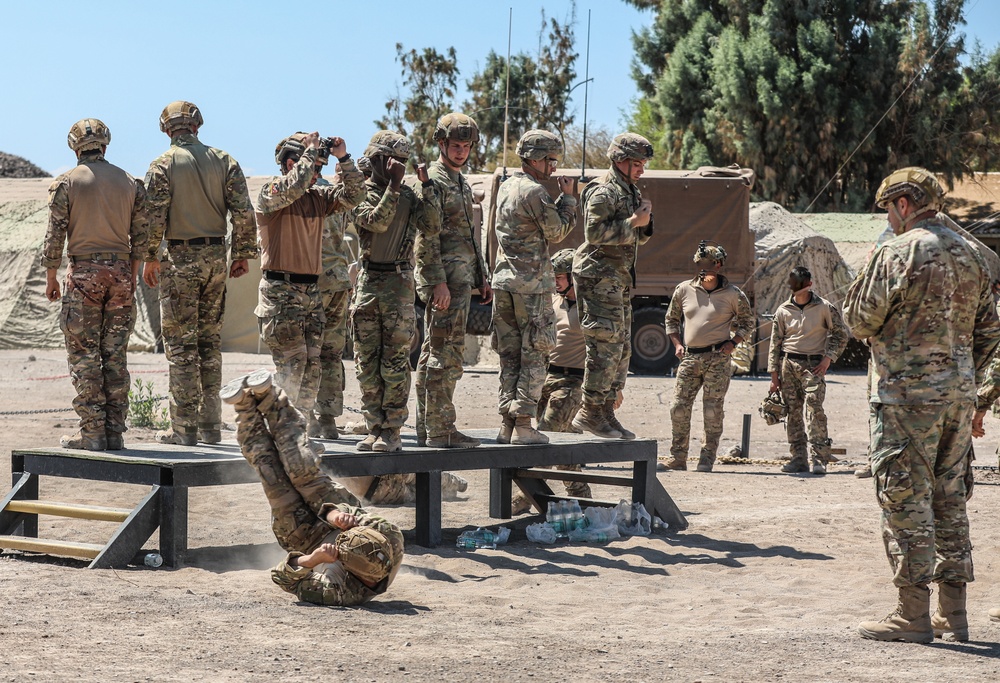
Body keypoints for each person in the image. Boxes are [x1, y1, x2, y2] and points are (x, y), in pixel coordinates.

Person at [844, 167, 1000, 643]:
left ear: (904, 204)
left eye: (889, 210)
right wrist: (961, 377)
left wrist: (869, 268)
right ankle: (954, 614)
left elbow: (859, 320)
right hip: (957, 399)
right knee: (950, 500)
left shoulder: (896, 251)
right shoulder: (973, 254)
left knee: (905, 502)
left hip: (905, 401)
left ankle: (912, 614)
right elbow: (990, 332)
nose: (888, 220)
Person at [222, 370, 403, 606]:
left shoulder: (338, 591)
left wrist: (311, 559)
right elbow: (358, 516)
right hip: (333, 506)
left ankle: (244, 408)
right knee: (299, 465)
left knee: (270, 472)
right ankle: (270, 397)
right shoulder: (391, 538)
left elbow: (282, 579)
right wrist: (337, 516)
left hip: (302, 537)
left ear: (350, 569)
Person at [143, 101, 257, 446]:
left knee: (181, 348)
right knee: (209, 344)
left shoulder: (163, 165)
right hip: (216, 259)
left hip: (180, 259)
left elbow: (153, 216)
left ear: (166, 130)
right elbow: (244, 212)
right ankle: (210, 427)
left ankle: (184, 429)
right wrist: (242, 254)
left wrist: (150, 256)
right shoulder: (224, 160)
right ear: (197, 126)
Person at [44, 118, 148, 451]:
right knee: (115, 356)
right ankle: (115, 434)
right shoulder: (130, 182)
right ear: (105, 146)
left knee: (84, 356)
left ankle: (92, 433)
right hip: (121, 274)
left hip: (84, 275)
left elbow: (55, 235)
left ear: (75, 149)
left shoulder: (67, 183)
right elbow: (142, 238)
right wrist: (131, 276)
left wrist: (51, 276)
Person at [255, 131, 365, 428]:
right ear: (293, 163)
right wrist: (310, 153)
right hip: (281, 292)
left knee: (312, 369)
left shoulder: (318, 199)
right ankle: (282, 431)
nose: (318, 175)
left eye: (319, 168)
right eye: (315, 167)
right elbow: (292, 187)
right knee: (292, 368)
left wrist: (344, 158)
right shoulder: (271, 193)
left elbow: (355, 195)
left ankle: (301, 432)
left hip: (310, 292)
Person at [351, 131, 440, 452]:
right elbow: (377, 222)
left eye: (401, 162)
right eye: (392, 161)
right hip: (368, 283)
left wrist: (426, 185)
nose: (396, 166)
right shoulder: (359, 193)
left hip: (399, 284)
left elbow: (432, 225)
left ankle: (391, 431)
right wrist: (394, 185)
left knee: (395, 362)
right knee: (366, 363)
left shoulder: (408, 196)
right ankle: (373, 427)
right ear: (376, 160)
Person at [492, 129, 577, 445]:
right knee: (536, 353)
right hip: (531, 287)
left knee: (510, 355)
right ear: (535, 158)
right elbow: (557, 232)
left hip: (504, 282)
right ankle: (525, 425)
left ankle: (507, 424)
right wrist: (568, 198)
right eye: (551, 160)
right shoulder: (535, 192)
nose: (554, 167)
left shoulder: (506, 186)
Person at [414, 112, 493, 449]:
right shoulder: (434, 180)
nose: (461, 151)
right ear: (442, 144)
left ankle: (427, 427)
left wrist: (481, 277)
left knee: (436, 352)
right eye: (456, 145)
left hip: (460, 280)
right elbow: (426, 236)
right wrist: (437, 282)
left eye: (466, 146)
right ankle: (440, 430)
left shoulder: (459, 181)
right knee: (444, 356)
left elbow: (468, 235)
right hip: (445, 283)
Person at [570, 133, 654, 441]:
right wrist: (633, 222)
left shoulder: (630, 189)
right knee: (604, 345)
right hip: (597, 277)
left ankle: (605, 411)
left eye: (643, 164)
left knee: (621, 348)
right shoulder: (603, 190)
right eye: (637, 163)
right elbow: (593, 233)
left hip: (617, 279)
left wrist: (644, 223)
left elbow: (639, 238)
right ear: (620, 160)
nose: (641, 170)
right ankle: (589, 412)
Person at [511, 248, 594, 514]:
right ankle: (582, 496)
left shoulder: (590, 307)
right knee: (560, 441)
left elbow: (609, 350)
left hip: (573, 382)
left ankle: (523, 497)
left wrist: (613, 388)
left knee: (547, 433)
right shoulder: (553, 302)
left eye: (559, 277)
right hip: (547, 378)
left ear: (573, 277)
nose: (555, 282)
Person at [663, 243, 753, 472]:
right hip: (690, 358)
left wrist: (734, 342)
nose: (704, 269)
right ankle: (678, 457)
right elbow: (671, 319)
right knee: (678, 407)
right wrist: (677, 344)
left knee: (712, 411)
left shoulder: (733, 294)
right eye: (700, 264)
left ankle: (706, 458)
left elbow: (747, 322)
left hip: (717, 358)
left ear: (719, 265)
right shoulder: (683, 290)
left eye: (710, 264)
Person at [767, 266, 848, 475]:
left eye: (800, 284)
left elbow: (841, 335)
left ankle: (819, 458)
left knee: (814, 410)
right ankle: (798, 459)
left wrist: (828, 359)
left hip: (814, 365)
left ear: (809, 284)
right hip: (789, 364)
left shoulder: (824, 307)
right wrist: (774, 376)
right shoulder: (783, 310)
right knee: (792, 412)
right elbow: (775, 344)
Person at [309, 175, 355, 441]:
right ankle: (328, 420)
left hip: (311, 281)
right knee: (332, 353)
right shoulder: (336, 194)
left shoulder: (300, 192)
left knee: (307, 352)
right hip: (338, 279)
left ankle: (307, 417)